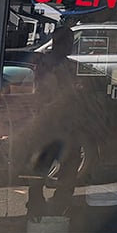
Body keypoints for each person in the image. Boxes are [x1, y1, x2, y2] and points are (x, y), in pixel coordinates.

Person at [26, 27, 82, 219]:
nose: (71, 46)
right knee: (52, 162)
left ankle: (55, 199)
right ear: (62, 43)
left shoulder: (62, 63)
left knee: (64, 162)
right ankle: (41, 200)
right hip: (52, 122)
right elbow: (47, 93)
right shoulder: (48, 64)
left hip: (61, 122)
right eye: (69, 41)